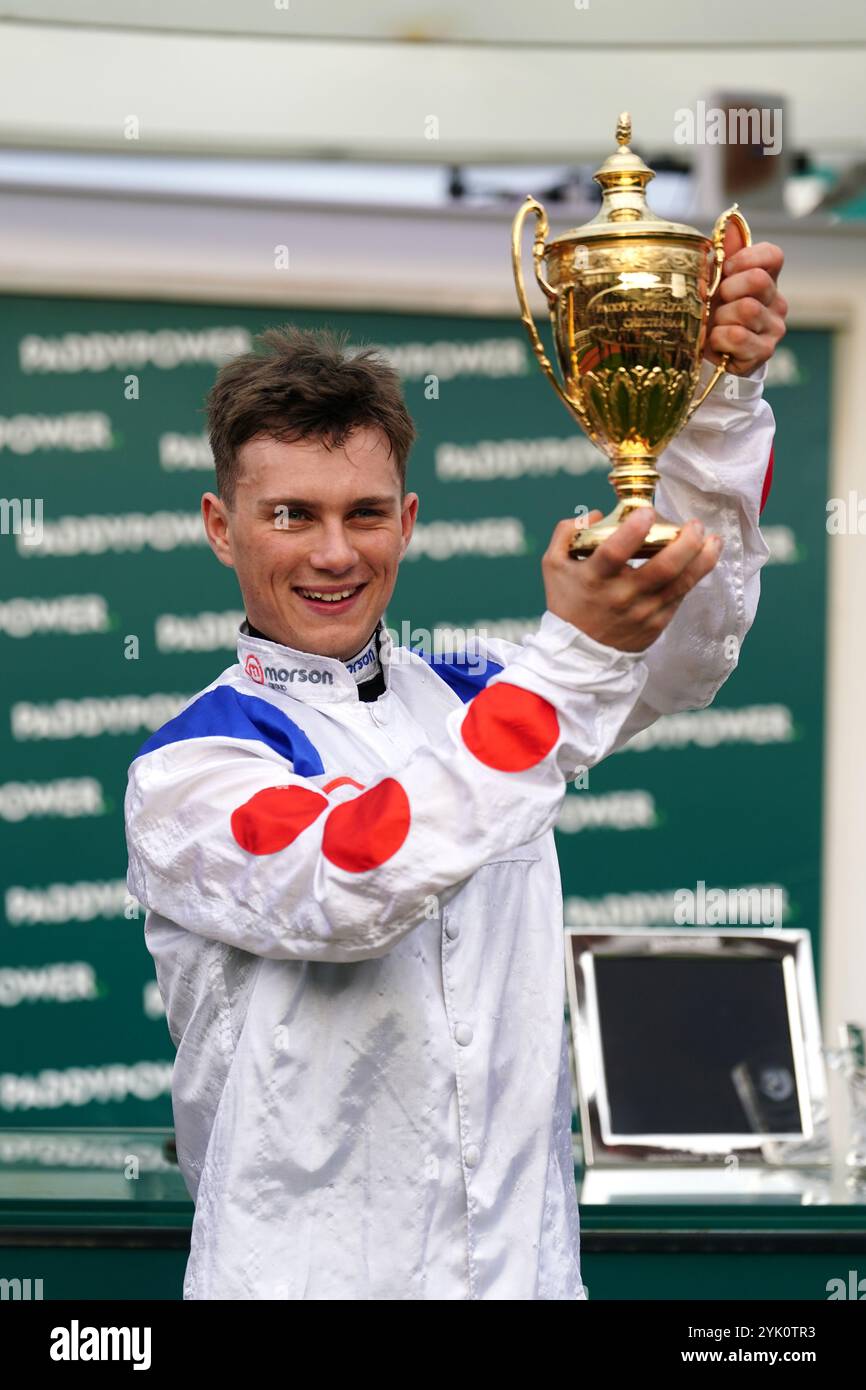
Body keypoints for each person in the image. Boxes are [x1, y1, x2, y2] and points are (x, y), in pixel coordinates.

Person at [125, 238, 787, 1299]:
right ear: (220, 527)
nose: (333, 553)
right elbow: (357, 875)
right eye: (290, 513)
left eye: (364, 513)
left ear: (409, 522)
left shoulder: (485, 696)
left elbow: (689, 643)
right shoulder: (187, 771)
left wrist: (714, 402)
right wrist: (574, 654)